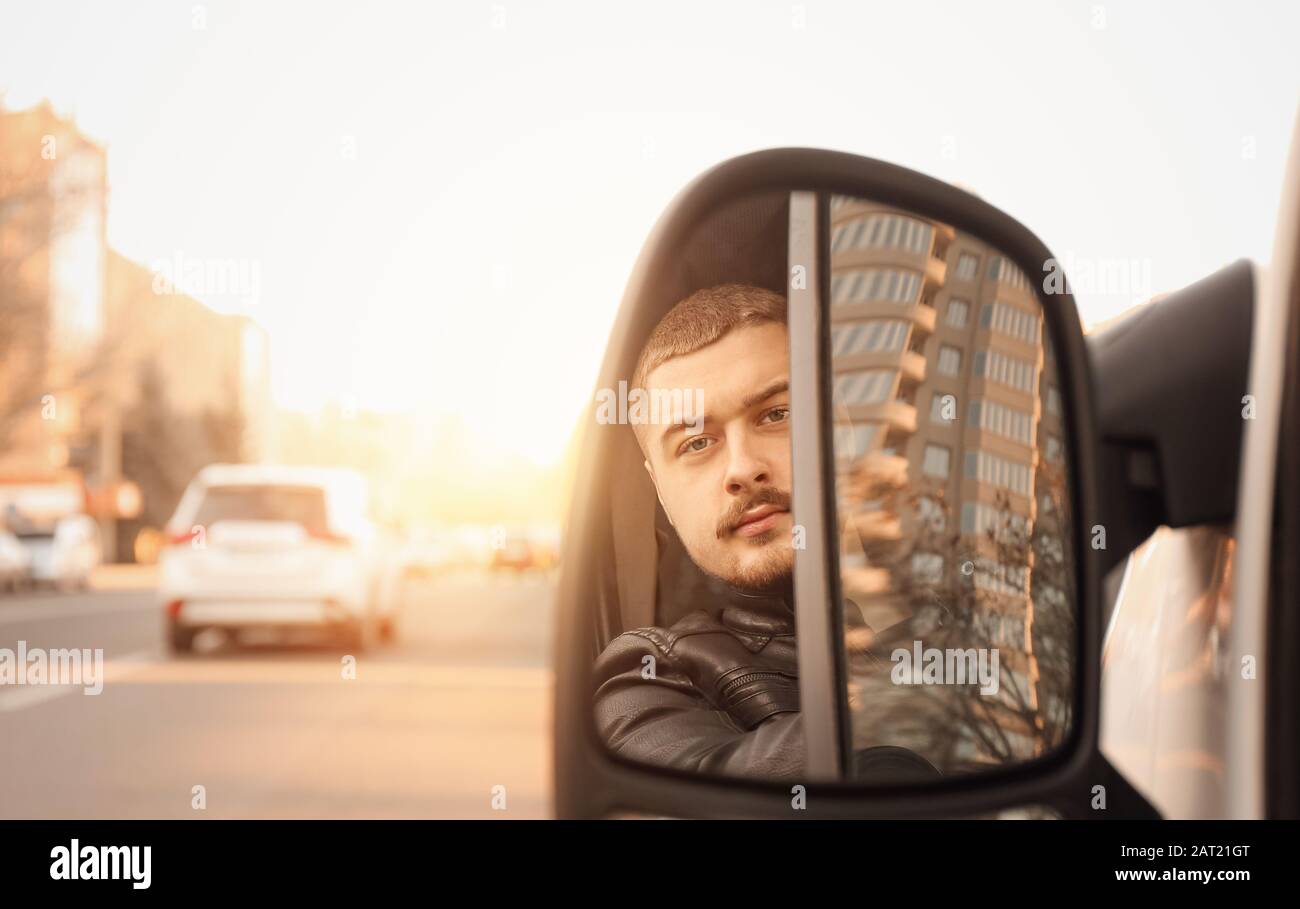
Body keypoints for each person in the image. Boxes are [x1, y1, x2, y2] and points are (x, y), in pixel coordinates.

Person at [592, 284, 804, 778]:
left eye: (777, 414)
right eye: (697, 442)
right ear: (660, 490)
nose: (743, 468)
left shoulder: (956, 625)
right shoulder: (652, 675)